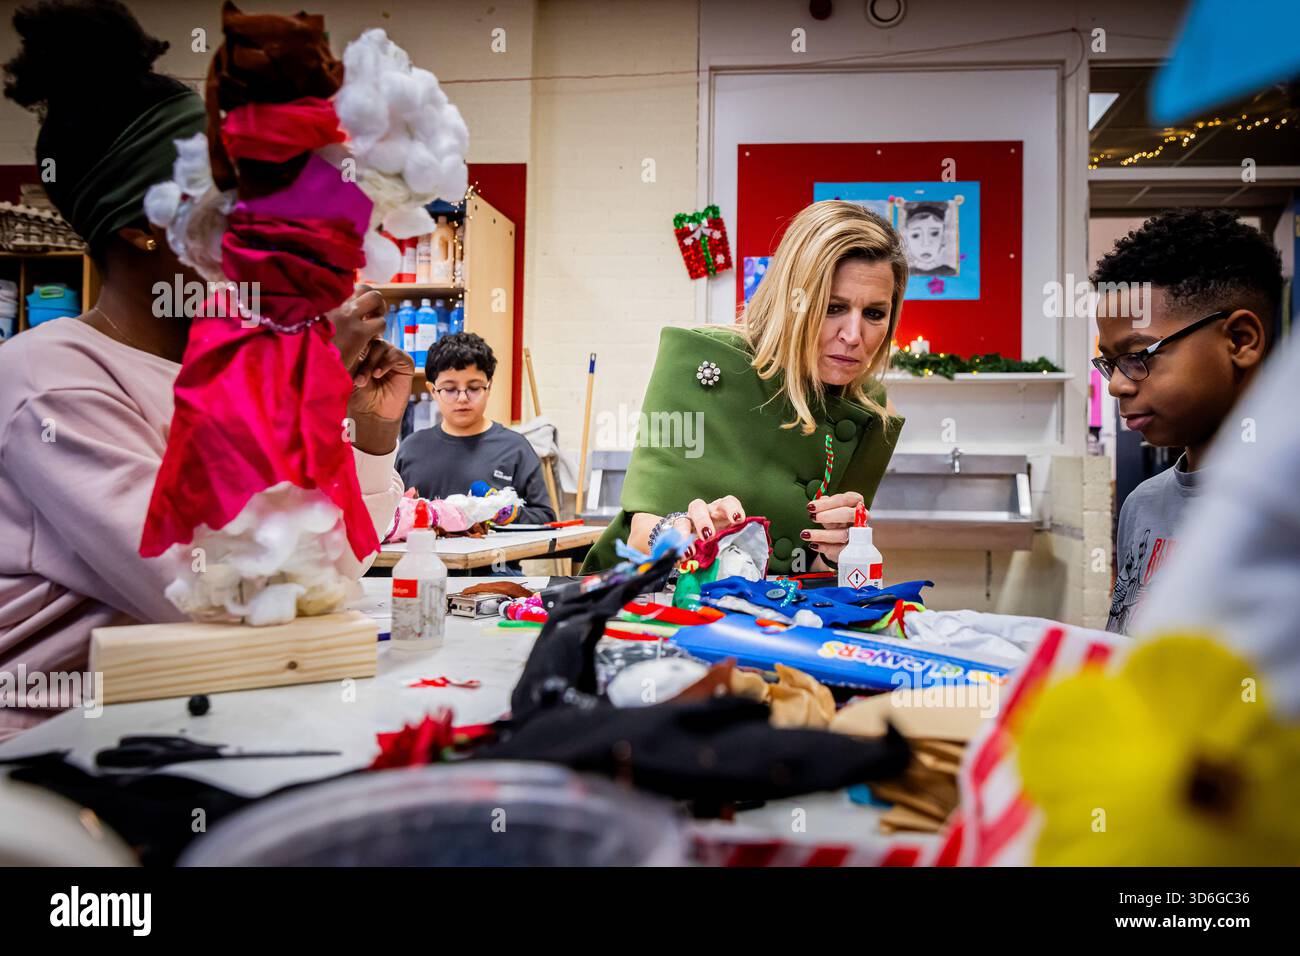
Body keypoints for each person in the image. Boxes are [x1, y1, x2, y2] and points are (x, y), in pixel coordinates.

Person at [0, 0, 408, 739]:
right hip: (51, 760)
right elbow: (223, 591)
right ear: (139, 227)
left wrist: (365, 429)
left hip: (188, 724)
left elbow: (337, 574)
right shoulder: (49, 382)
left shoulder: (228, 361)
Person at [582, 199, 908, 574]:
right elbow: (640, 533)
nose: (853, 335)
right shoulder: (696, 361)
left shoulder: (871, 410)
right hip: (651, 606)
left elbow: (810, 568)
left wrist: (837, 552)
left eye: (874, 314)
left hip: (773, 619)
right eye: (832, 307)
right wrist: (684, 535)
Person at [1092, 208, 1280, 633]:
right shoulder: (1142, 504)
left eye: (1138, 356)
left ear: (1239, 340)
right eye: (1110, 363)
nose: (1117, 386)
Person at [397, 331, 556, 524]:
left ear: (488, 387)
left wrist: (506, 514)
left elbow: (544, 517)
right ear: (432, 391)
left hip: (496, 555)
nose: (462, 398)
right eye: (449, 389)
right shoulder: (411, 449)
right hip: (424, 554)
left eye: (473, 388)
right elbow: (389, 516)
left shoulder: (515, 448)